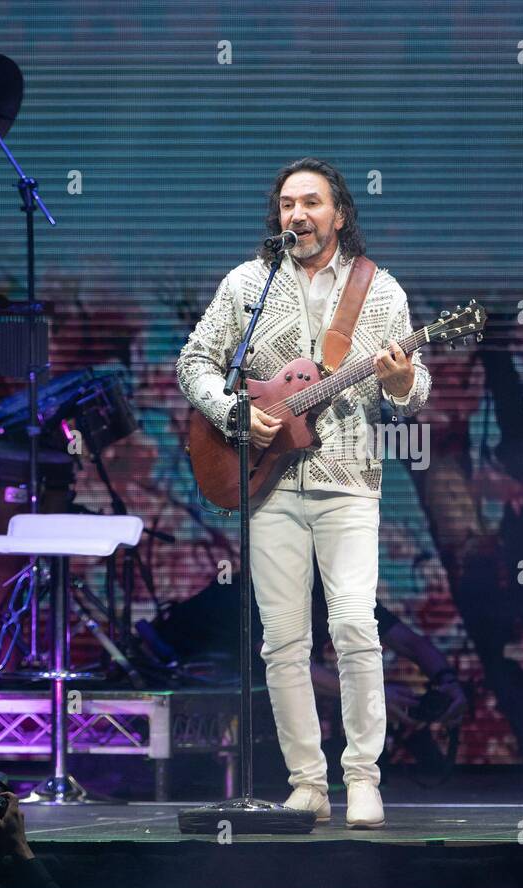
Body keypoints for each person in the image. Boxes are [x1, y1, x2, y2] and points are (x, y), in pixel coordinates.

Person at [177, 158, 430, 828]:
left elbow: (412, 392)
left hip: (348, 480)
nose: (298, 214)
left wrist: (401, 381)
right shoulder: (247, 283)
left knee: (352, 625)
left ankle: (363, 778)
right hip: (267, 485)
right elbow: (194, 361)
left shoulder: (379, 291)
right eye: (288, 203)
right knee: (283, 640)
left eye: (312, 202)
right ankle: (308, 781)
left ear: (339, 213)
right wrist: (235, 415)